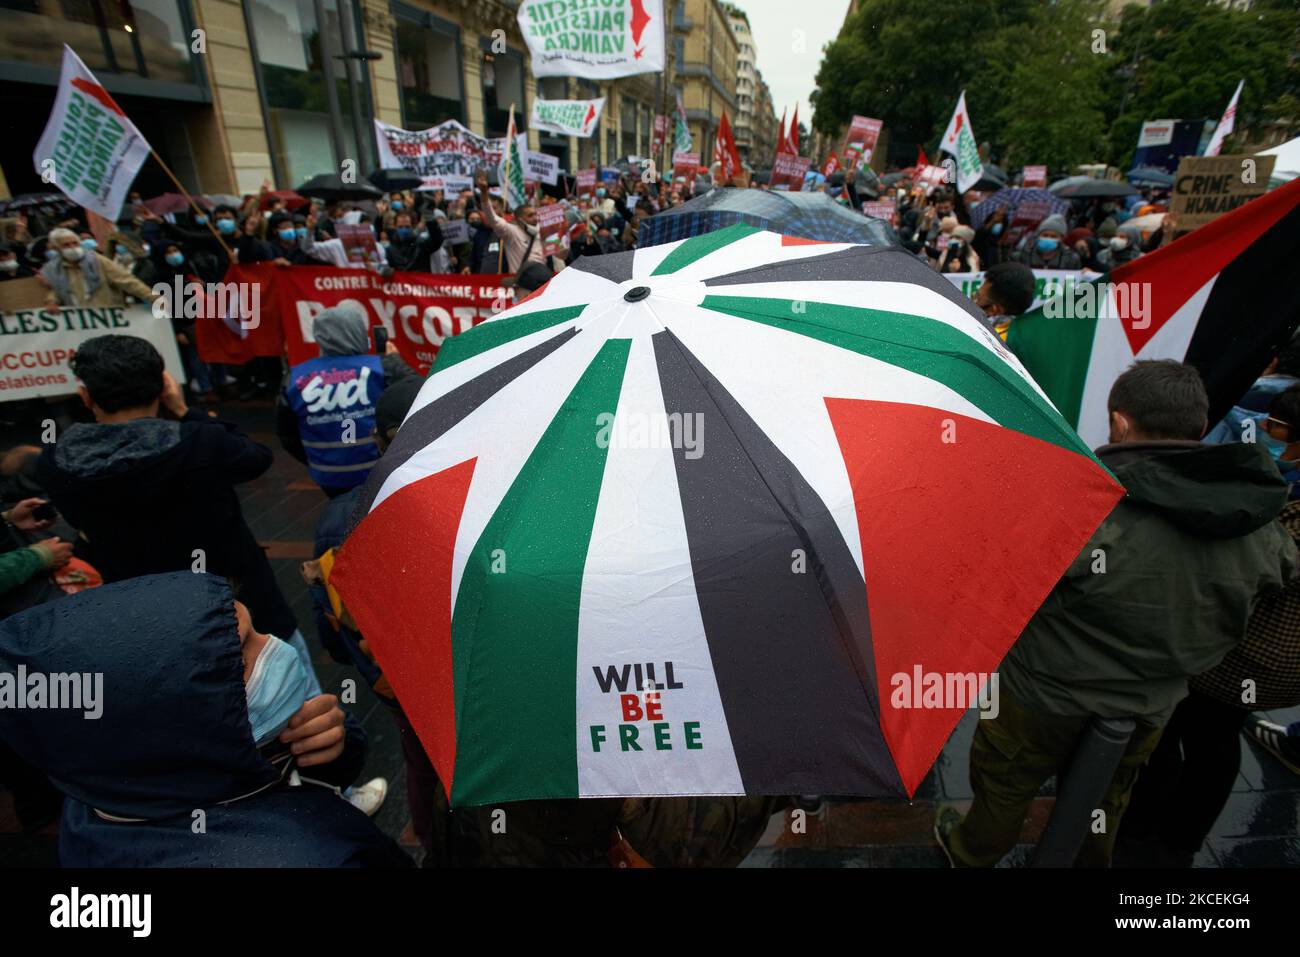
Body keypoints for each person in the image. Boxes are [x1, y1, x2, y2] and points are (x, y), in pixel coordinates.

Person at [934, 360, 1298, 868]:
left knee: (1005, 780)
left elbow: (1005, 576)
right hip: (1153, 700)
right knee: (1106, 794)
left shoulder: (1082, 506)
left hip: (1043, 693)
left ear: (1120, 423)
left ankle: (974, 851)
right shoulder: (1254, 518)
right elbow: (1279, 572)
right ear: (1198, 423)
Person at [0, 572, 411, 867]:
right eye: (245, 652)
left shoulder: (106, 789)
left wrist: (327, 754)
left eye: (258, 631)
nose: (275, 647)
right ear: (180, 718)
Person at [35, 334, 302, 652]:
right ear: (164, 387)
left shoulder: (57, 461)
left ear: (85, 396)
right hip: (243, 612)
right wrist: (185, 410)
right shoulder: (201, 442)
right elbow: (256, 457)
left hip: (148, 626)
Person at [277, 303, 415, 496]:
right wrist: (394, 361)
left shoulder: (295, 378)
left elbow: (287, 434)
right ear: (357, 332)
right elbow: (417, 395)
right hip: (382, 473)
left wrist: (318, 460)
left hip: (328, 476)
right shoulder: (381, 367)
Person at [40, 227, 156, 308]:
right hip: (82, 321)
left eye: (75, 243)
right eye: (66, 245)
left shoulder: (98, 261)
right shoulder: (55, 268)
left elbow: (126, 281)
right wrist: (52, 301)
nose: (73, 248)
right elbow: (57, 289)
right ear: (57, 248)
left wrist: (153, 297)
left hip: (108, 315)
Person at [476, 172, 547, 274]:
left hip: (542, 283)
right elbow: (492, 217)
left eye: (536, 214)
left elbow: (561, 255)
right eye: (530, 215)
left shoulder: (544, 232)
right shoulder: (511, 232)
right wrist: (483, 192)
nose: (535, 218)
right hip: (523, 285)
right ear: (519, 219)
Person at [973, 261, 1036, 339]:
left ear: (994, 310)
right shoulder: (1031, 335)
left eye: (977, 297)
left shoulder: (985, 340)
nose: (974, 301)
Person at [1014, 214, 1082, 270]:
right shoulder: (1023, 255)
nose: (1048, 238)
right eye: (1045, 235)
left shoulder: (1071, 259)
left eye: (1053, 236)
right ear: (1038, 236)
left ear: (1061, 239)